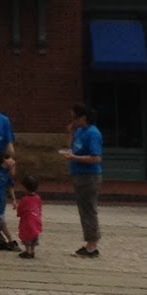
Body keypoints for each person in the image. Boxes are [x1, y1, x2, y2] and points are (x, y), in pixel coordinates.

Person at [62, 101, 103, 256]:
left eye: (75, 118)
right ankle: (89, 242)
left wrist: (74, 158)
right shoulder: (80, 131)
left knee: (89, 210)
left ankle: (92, 245)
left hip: (89, 176)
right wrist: (71, 133)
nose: (73, 121)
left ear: (83, 118)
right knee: (83, 210)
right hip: (78, 175)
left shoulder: (93, 133)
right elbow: (72, 148)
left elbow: (95, 158)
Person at [15, 174, 43, 258]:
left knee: (26, 236)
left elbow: (20, 209)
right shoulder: (37, 198)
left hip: (27, 221)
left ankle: (28, 251)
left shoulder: (24, 199)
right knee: (34, 236)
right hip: (36, 219)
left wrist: (19, 213)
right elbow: (39, 208)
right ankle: (32, 250)